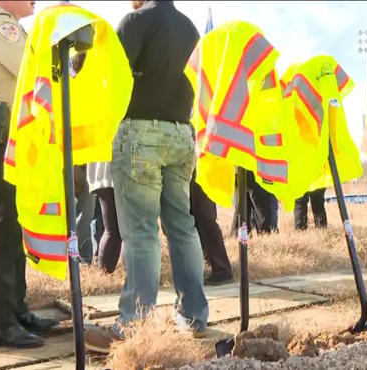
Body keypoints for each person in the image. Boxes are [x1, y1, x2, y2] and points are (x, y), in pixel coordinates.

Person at [84, 0, 209, 353]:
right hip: (182, 134)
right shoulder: (190, 29)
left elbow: (109, 77)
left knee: (140, 231)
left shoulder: (135, 21)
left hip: (139, 133)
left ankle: (132, 326)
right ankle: (194, 315)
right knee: (182, 225)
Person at [0, 0, 58, 348]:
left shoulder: (12, 29)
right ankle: (0, 322)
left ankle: (17, 311)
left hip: (11, 137)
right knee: (6, 226)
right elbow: (32, 71)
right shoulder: (1, 28)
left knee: (16, 224)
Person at [190, 171, 233, 286]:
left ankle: (222, 269)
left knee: (205, 217)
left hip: (202, 168)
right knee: (196, 217)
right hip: (193, 168)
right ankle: (212, 266)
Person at [87, 161, 123, 273]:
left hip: (101, 169)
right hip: (123, 168)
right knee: (131, 233)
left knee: (111, 231)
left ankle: (103, 275)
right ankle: (134, 279)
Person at [230, 170, 276, 235]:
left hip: (238, 171)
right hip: (256, 171)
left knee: (241, 209)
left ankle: (238, 236)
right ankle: (264, 236)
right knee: (262, 210)